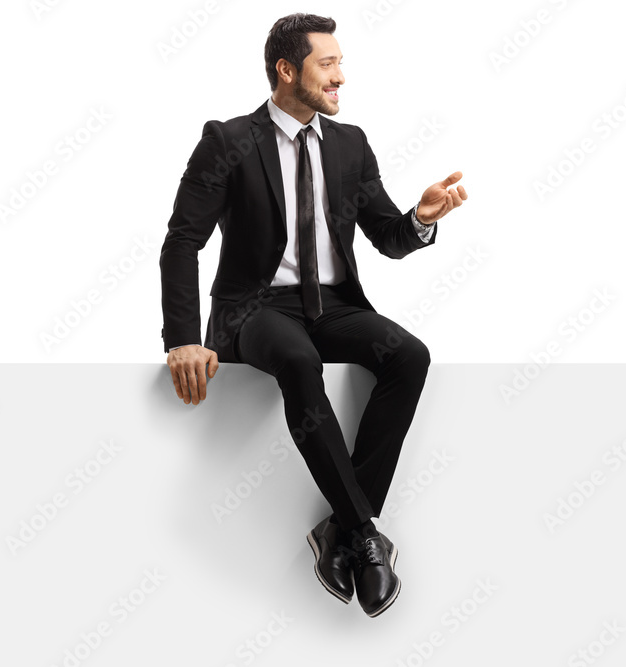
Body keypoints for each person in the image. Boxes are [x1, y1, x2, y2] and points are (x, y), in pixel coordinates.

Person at [160, 13, 466, 617]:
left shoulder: (349, 143)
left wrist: (421, 218)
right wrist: (183, 339)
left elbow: (386, 237)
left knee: (410, 356)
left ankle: (342, 529)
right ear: (286, 69)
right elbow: (182, 242)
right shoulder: (228, 141)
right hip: (253, 309)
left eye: (340, 64)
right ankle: (366, 536)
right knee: (298, 360)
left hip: (332, 305)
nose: (341, 77)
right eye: (328, 64)